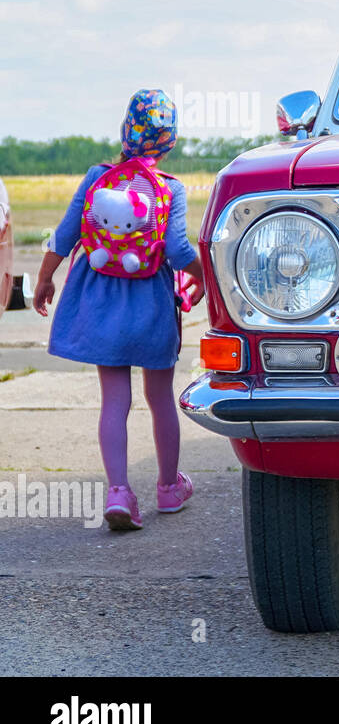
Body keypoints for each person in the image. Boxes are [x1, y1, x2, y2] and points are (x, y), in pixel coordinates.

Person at [32, 89, 205, 529]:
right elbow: (179, 250)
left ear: (125, 131)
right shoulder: (170, 189)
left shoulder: (96, 177)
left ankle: (119, 493)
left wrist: (44, 276)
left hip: (101, 305)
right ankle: (168, 488)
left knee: (115, 400)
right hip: (150, 307)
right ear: (168, 143)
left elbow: (66, 234)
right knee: (160, 396)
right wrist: (206, 277)